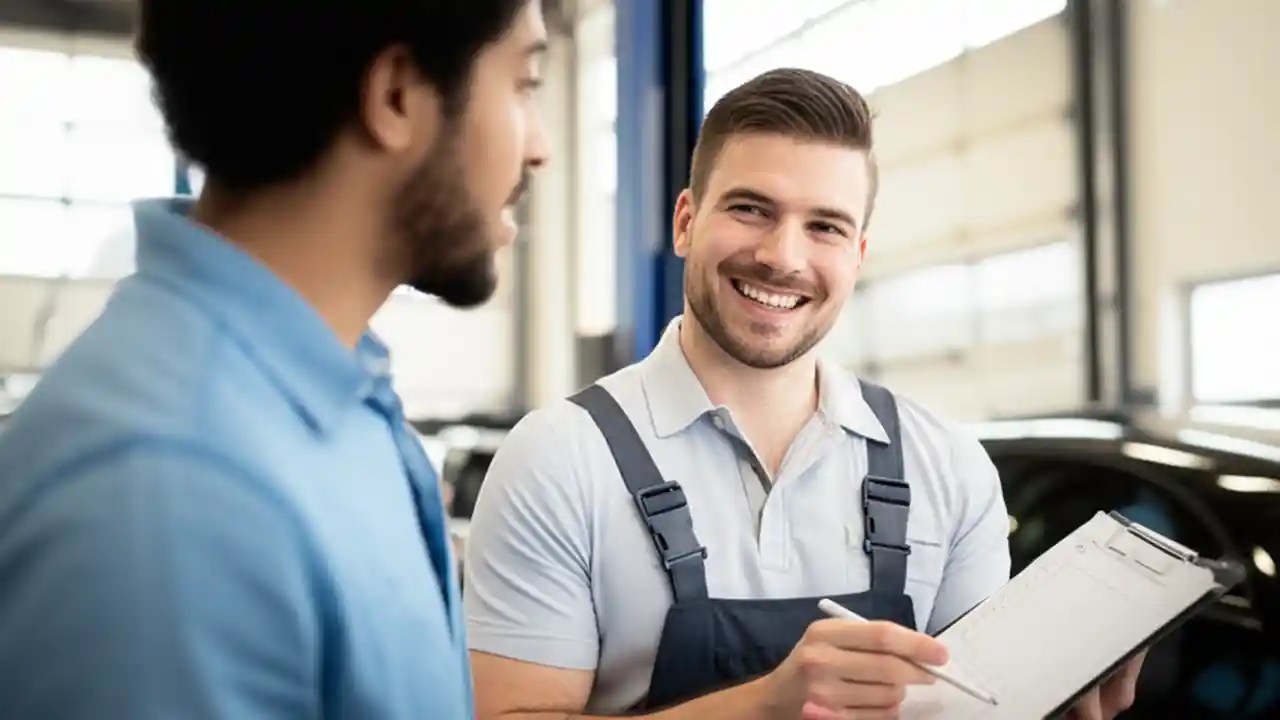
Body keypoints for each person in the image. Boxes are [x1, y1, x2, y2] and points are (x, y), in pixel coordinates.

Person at [463, 68, 1142, 720]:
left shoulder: (949, 468)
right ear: (685, 222)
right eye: (752, 209)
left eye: (825, 226)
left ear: (858, 254)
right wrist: (760, 710)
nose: (783, 256)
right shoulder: (559, 460)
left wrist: (1054, 690)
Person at [0, 1, 548, 718]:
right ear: (397, 96)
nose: (537, 146)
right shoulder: (170, 498)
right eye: (523, 84)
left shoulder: (337, 404)